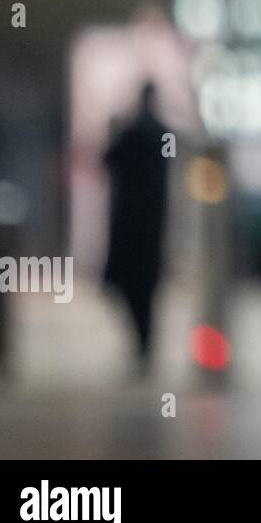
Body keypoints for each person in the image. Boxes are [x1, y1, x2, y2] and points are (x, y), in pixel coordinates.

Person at [103, 81, 171, 374]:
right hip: (152, 224)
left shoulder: (132, 132)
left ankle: (142, 346)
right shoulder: (162, 134)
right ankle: (145, 345)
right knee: (146, 291)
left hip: (130, 223)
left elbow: (107, 160)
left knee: (131, 287)